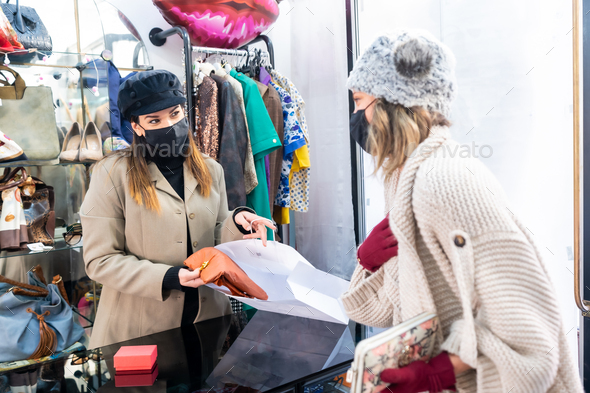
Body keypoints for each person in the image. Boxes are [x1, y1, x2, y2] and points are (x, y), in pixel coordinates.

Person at [340, 30, 583, 393]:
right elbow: (378, 310)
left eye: (360, 100)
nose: (357, 114)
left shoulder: (444, 180)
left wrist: (437, 373)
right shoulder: (403, 178)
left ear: (393, 102)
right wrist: (368, 260)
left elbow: (531, 339)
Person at [80, 70, 274, 348]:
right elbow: (100, 260)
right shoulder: (111, 174)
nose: (169, 124)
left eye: (175, 113)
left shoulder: (210, 168)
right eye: (154, 120)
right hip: (141, 331)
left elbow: (216, 235)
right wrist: (169, 277)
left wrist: (238, 220)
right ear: (136, 126)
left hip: (206, 324)